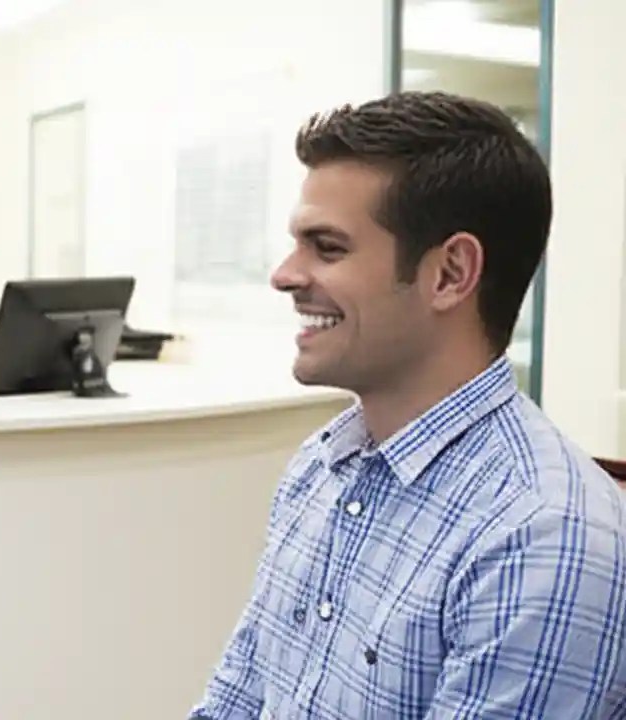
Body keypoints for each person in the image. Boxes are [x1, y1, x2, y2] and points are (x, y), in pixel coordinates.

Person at [191, 91, 626, 718]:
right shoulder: (320, 468)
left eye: (327, 246)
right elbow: (236, 697)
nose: (285, 274)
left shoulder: (543, 538)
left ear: (450, 274)